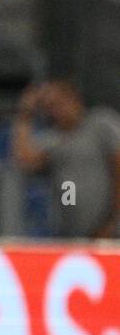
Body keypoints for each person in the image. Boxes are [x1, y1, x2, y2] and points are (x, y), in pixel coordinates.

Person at [12, 79, 120, 239]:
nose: (55, 111)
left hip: (110, 232)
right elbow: (24, 160)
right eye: (48, 108)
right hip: (72, 237)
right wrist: (25, 113)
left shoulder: (101, 124)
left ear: (73, 99)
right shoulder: (52, 140)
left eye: (58, 104)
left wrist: (113, 221)